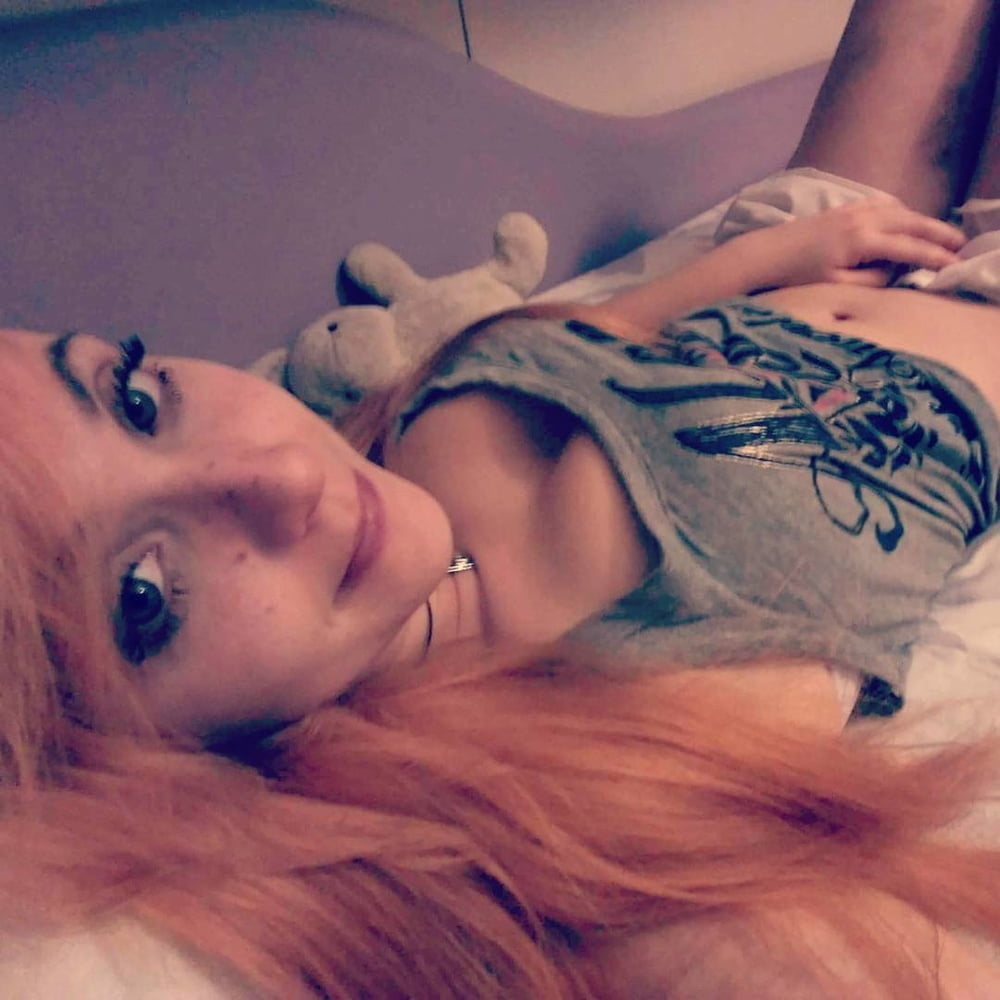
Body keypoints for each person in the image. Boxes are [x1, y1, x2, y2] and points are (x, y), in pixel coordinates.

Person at [0, 0, 999, 996]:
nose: (288, 475)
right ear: (114, 772)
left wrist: (780, 252)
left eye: (136, 398)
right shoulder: (587, 800)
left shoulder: (398, 445)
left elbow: (609, 326)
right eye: (144, 593)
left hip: (810, 235)